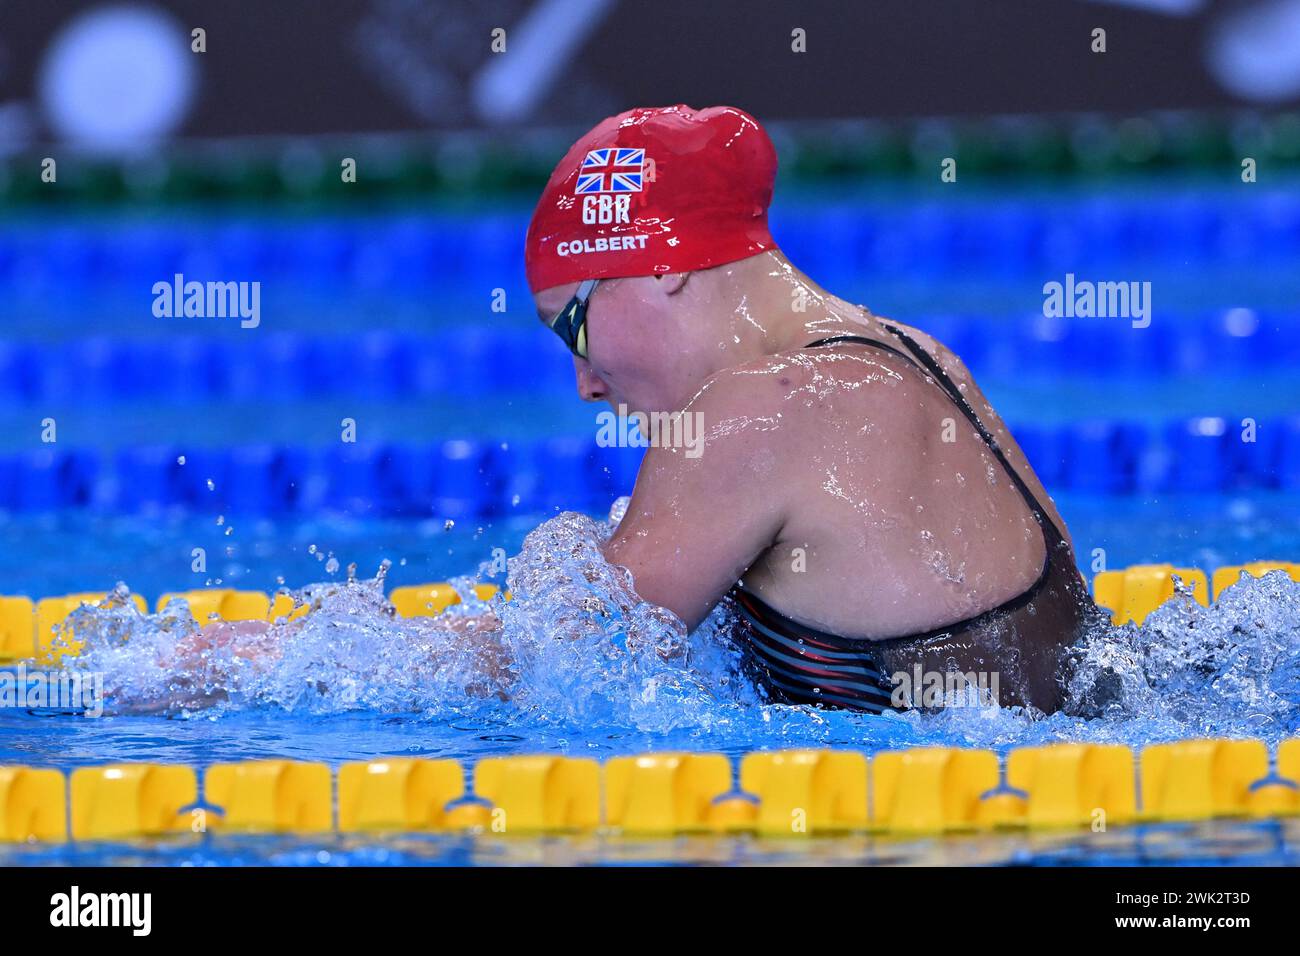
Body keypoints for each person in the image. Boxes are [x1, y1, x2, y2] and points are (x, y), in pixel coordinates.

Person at [526, 104, 1102, 714]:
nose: (585, 383)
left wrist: (414, 648)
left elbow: (573, 665)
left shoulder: (759, 411)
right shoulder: (915, 352)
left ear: (662, 267)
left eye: (574, 329)